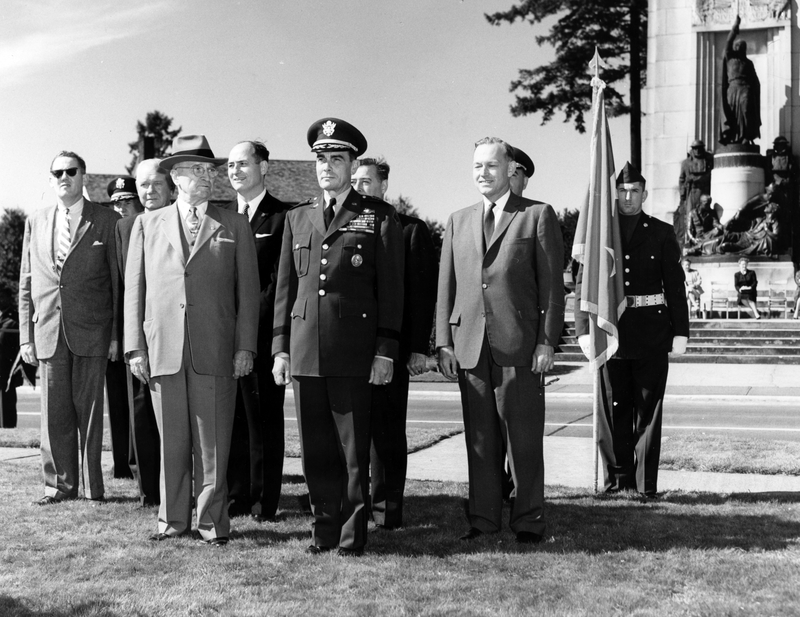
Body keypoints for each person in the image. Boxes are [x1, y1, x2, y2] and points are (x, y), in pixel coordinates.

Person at [272, 118, 404, 556]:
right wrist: (280, 349)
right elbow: (285, 291)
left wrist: (385, 351)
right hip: (306, 350)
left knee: (351, 453)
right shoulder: (298, 217)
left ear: (352, 164)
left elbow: (391, 292)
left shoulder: (377, 216)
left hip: (353, 351)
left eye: (336, 159)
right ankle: (322, 530)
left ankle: (350, 536)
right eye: (321, 159)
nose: (327, 166)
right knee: (316, 452)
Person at [124, 135, 259, 545]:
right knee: (173, 444)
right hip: (163, 348)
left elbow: (249, 293)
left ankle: (212, 524)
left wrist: (245, 346)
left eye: (209, 170)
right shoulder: (146, 225)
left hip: (217, 349)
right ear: (177, 177)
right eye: (198, 170)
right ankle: (171, 520)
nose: (208, 177)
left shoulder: (234, 223)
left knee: (213, 445)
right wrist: (135, 347)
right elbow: (135, 290)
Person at [436, 137, 564, 544]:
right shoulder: (458, 220)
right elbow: (447, 288)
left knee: (523, 442)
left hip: (519, 347)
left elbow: (551, 290)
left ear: (510, 169)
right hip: (470, 346)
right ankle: (484, 520)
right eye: (477, 166)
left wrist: (547, 342)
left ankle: (528, 521)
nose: (483, 173)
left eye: (491, 166)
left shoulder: (536, 215)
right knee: (479, 442)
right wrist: (444, 342)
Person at [575, 162, 689, 497]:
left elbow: (675, 285)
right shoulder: (600, 234)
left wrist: (680, 332)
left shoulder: (661, 232)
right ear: (614, 194)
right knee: (613, 410)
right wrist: (583, 329)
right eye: (622, 191)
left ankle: (644, 484)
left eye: (634, 191)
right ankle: (616, 482)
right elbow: (583, 283)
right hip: (610, 331)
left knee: (648, 412)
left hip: (652, 332)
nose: (627, 197)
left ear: (644, 194)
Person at [19, 150, 121, 504]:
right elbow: (26, 283)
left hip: (92, 331)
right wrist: (24, 338)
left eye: (71, 171)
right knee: (54, 417)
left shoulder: (106, 221)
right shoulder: (36, 221)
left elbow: (116, 282)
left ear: (83, 176)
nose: (64, 177)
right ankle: (59, 486)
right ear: (51, 179)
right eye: (57, 172)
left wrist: (115, 336)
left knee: (91, 415)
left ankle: (93, 488)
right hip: (48, 330)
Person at [351, 157, 438, 530]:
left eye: (367, 181)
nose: (360, 187)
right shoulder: (344, 227)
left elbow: (421, 296)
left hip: (391, 348)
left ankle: (387, 509)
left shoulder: (409, 230)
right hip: (349, 347)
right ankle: (351, 503)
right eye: (355, 180)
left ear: (384, 185)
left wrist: (418, 347)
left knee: (386, 431)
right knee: (351, 431)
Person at [224, 140, 293, 522]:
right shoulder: (220, 217)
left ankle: (265, 501)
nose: (235, 171)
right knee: (231, 419)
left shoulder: (284, 217)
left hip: (264, 337)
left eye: (243, 163)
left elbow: (279, 282)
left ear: (264, 167)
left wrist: (247, 323)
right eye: (230, 165)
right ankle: (236, 495)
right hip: (224, 337)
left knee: (263, 420)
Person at [116, 158, 173, 506]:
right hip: (140, 337)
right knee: (142, 416)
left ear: (169, 188)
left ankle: (183, 491)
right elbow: (122, 287)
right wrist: (130, 342)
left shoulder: (184, 222)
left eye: (156, 184)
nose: (149, 192)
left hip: (177, 335)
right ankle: (150, 492)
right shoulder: (126, 227)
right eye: (143, 185)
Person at [105, 176, 143, 480]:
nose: (121, 207)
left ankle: (137, 461)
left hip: (140, 332)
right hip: (114, 332)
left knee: (141, 405)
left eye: (126, 200)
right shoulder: (112, 231)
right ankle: (122, 465)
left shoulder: (144, 229)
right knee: (117, 402)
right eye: (116, 202)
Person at [720, 15, 761, 146]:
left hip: (745, 89)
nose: (739, 48)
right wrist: (735, 27)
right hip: (732, 89)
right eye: (738, 46)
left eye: (742, 47)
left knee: (746, 109)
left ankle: (745, 135)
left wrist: (754, 93)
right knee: (731, 113)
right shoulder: (730, 58)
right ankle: (733, 137)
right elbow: (728, 42)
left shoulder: (748, 63)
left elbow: (755, 81)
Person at [678, 140, 714, 245]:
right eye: (695, 148)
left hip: (705, 191)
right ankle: (689, 241)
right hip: (692, 192)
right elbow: (681, 180)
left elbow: (711, 175)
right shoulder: (686, 163)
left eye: (699, 148)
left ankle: (706, 240)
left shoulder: (709, 159)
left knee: (705, 215)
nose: (697, 150)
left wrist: (696, 178)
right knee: (691, 215)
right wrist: (682, 196)